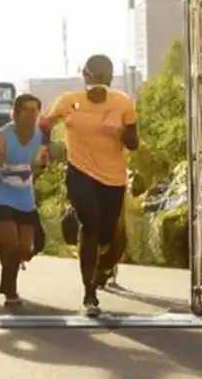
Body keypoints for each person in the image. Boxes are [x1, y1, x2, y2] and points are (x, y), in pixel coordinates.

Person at [41, 55, 139, 317]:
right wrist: (44, 147)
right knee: (91, 225)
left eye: (102, 76)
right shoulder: (70, 101)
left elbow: (133, 142)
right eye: (91, 75)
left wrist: (121, 131)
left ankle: (103, 269)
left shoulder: (122, 102)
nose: (96, 80)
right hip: (80, 172)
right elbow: (46, 122)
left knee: (108, 235)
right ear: (84, 77)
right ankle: (89, 294)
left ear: (109, 78)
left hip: (113, 177)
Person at [0, 94, 46, 306]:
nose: (31, 114)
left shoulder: (39, 136)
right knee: (9, 242)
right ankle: (10, 289)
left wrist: (40, 163)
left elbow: (36, 165)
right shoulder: (3, 135)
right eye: (27, 109)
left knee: (24, 248)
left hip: (24, 195)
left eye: (35, 110)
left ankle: (7, 274)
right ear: (16, 113)